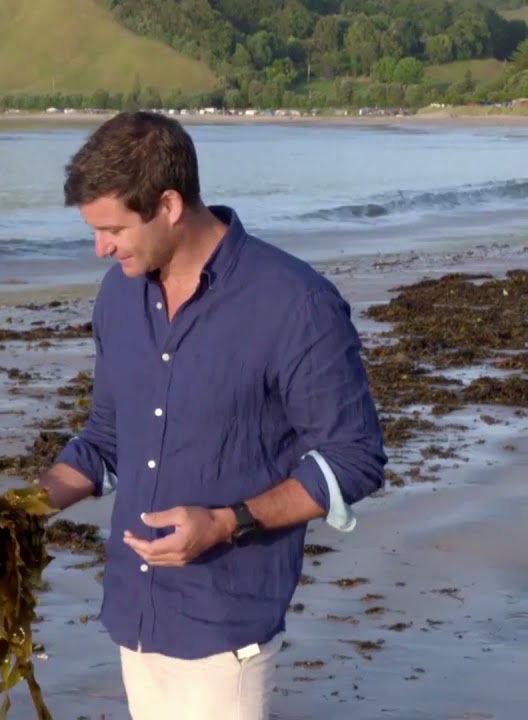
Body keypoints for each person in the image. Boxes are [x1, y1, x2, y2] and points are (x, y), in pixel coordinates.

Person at [36, 111, 386, 719]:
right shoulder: (119, 293)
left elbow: (354, 459)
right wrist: (20, 508)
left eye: (113, 228)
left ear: (169, 205)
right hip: (133, 613)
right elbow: (107, 439)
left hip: (225, 625)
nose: (101, 248)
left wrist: (227, 522)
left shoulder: (294, 302)